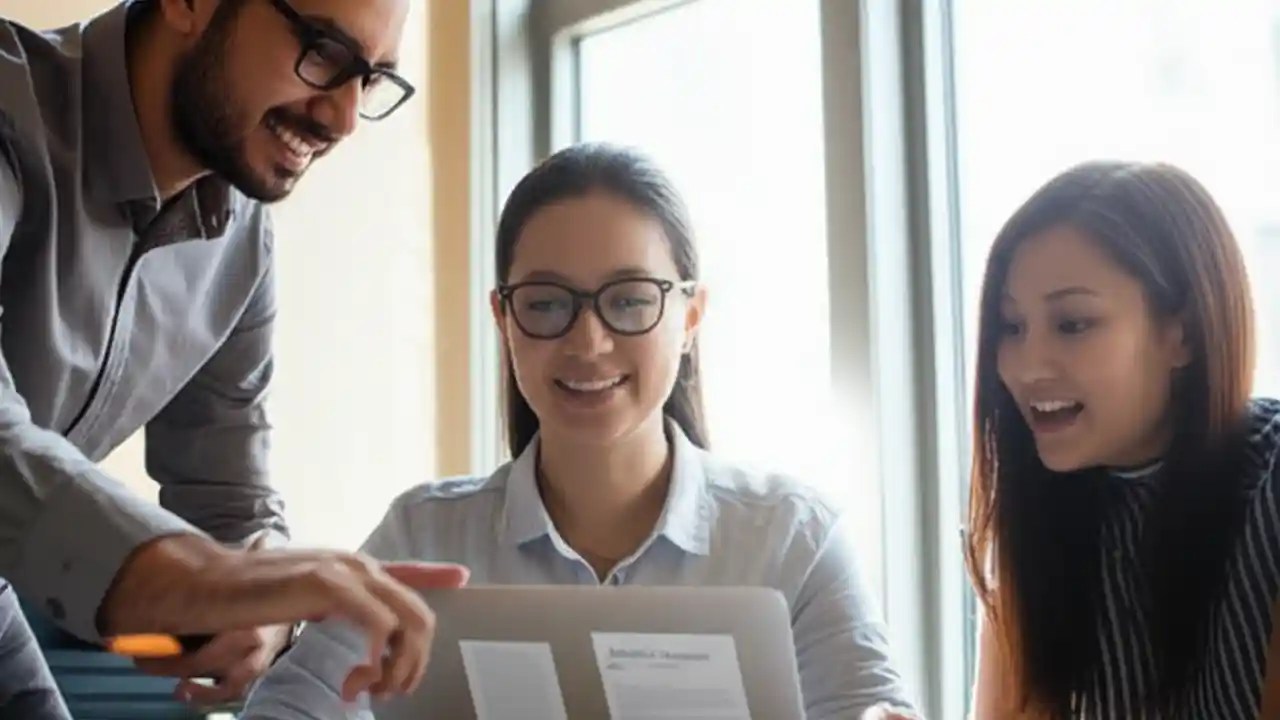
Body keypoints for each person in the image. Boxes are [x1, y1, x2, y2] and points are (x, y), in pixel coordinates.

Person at [240, 143, 919, 720]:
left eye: (628, 300)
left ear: (689, 317)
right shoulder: (425, 537)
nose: (588, 342)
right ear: (503, 320)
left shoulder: (791, 541)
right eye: (546, 304)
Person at [0, 0, 466, 715]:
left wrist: (267, 603)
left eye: (369, 81)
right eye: (322, 51)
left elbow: (229, 500)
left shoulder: (241, 241)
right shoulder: (9, 109)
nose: (342, 119)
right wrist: (192, 574)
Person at [963, 161, 1280, 718]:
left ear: (1182, 332)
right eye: (1011, 327)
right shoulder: (1038, 509)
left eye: (1073, 324)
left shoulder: (1269, 485)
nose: (1026, 367)